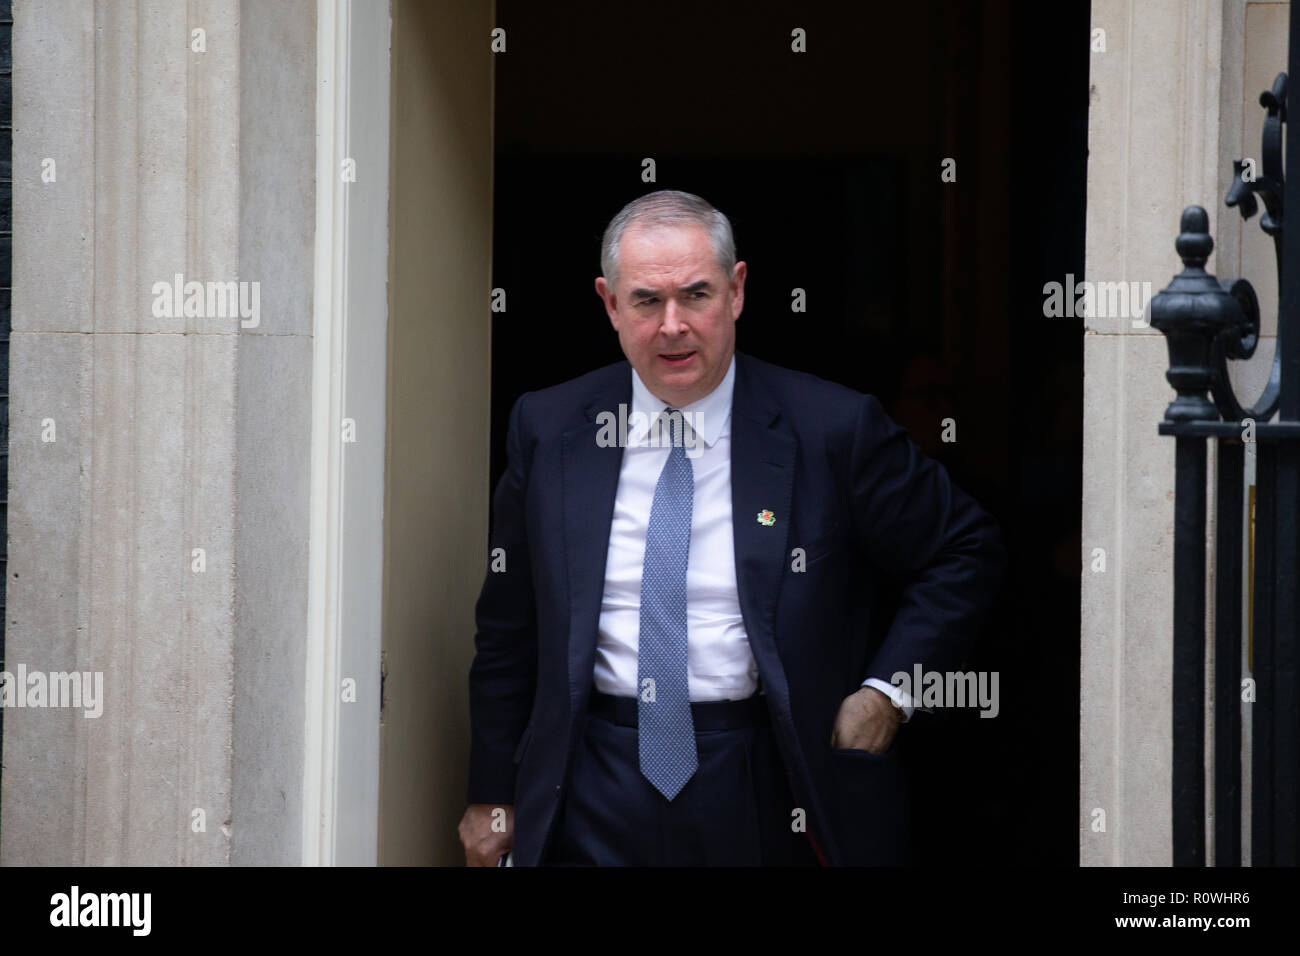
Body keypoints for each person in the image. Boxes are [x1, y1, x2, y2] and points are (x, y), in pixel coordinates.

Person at [458, 190, 1005, 866]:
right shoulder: (549, 427)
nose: (673, 326)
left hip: (765, 772)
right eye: (646, 301)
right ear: (609, 303)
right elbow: (508, 626)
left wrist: (889, 693)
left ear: (737, 291)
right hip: (589, 774)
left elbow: (965, 549)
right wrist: (491, 792)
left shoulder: (831, 427)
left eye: (697, 295)